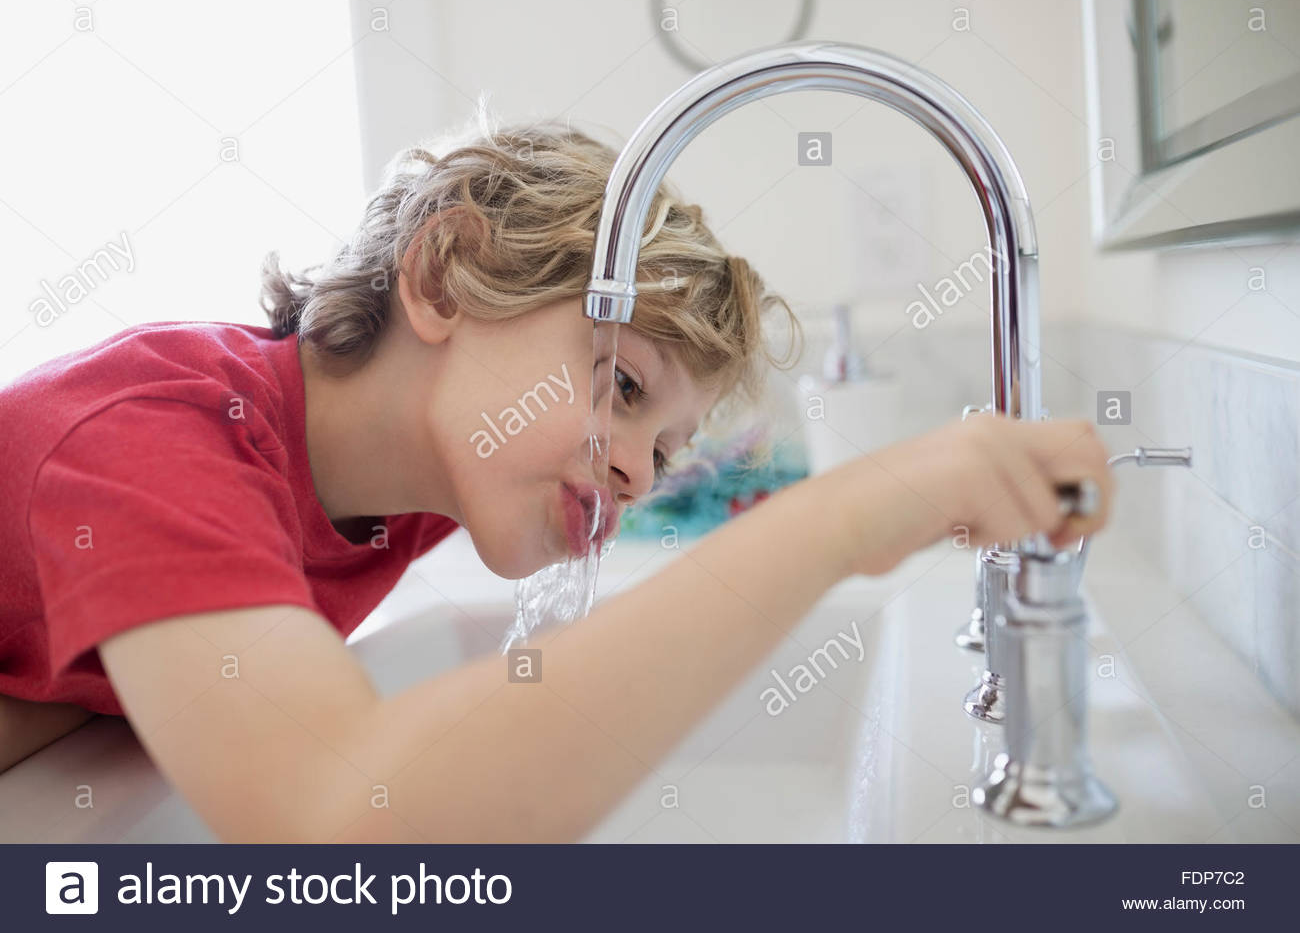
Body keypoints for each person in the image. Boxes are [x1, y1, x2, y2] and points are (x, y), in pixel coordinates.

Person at [0, 112, 1112, 839]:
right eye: (622, 386)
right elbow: (340, 818)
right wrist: (843, 517)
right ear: (443, 273)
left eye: (666, 453)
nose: (634, 471)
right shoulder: (153, 433)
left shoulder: (396, 493)